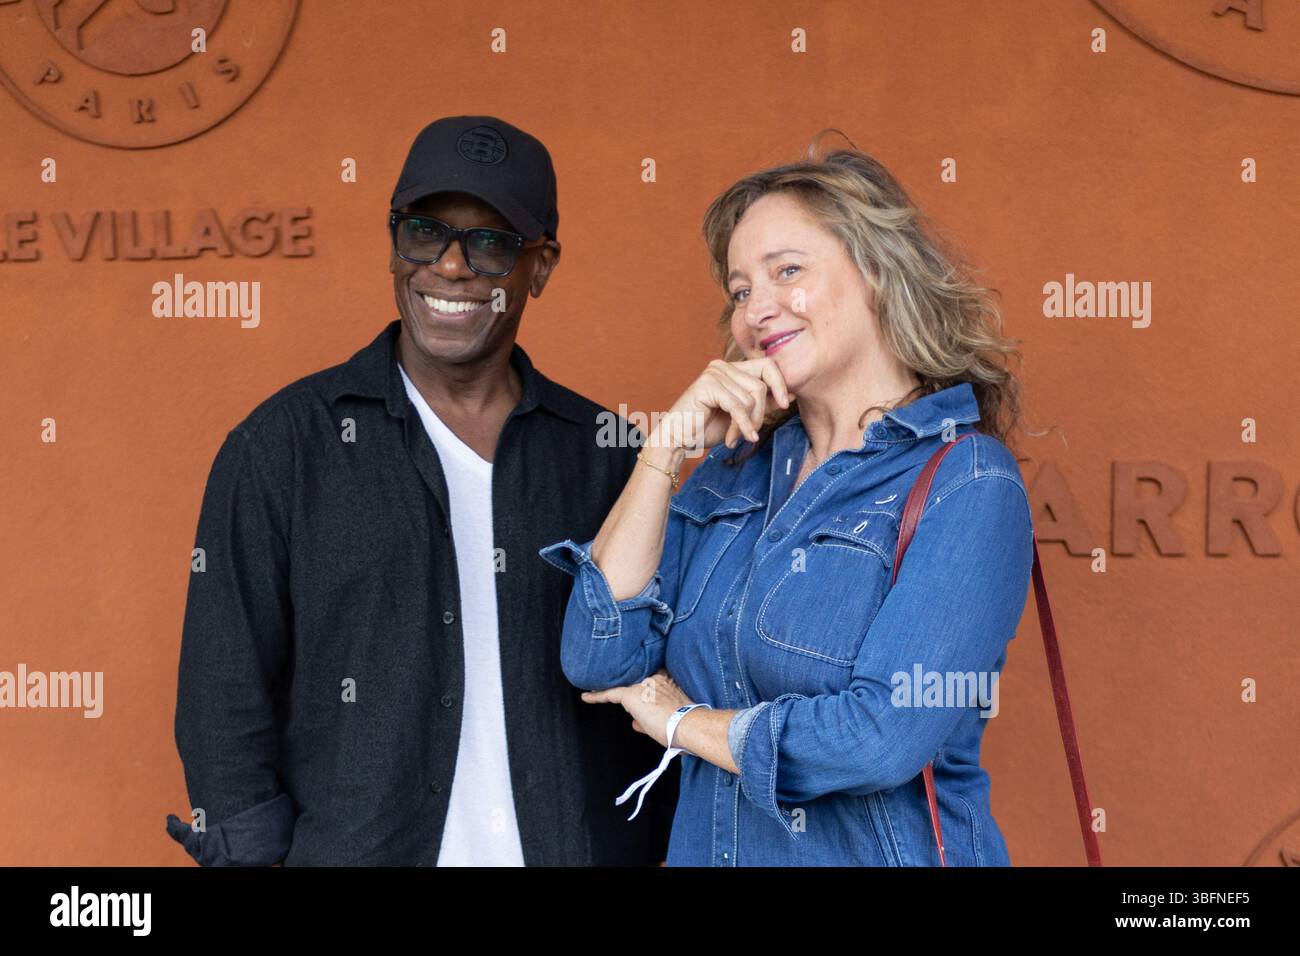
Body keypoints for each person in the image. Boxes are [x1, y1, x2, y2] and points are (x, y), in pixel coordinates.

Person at [165, 115, 676, 866]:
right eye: (425, 232)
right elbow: (222, 694)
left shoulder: (607, 456)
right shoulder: (283, 447)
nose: (451, 266)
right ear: (394, 243)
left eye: (493, 242)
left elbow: (659, 668)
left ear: (541, 266)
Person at [540, 136, 1034, 866]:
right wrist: (664, 451)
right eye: (740, 291)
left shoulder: (968, 482)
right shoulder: (732, 475)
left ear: (877, 274)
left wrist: (683, 722)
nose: (755, 310)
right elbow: (598, 652)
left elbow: (878, 737)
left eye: (788, 272)